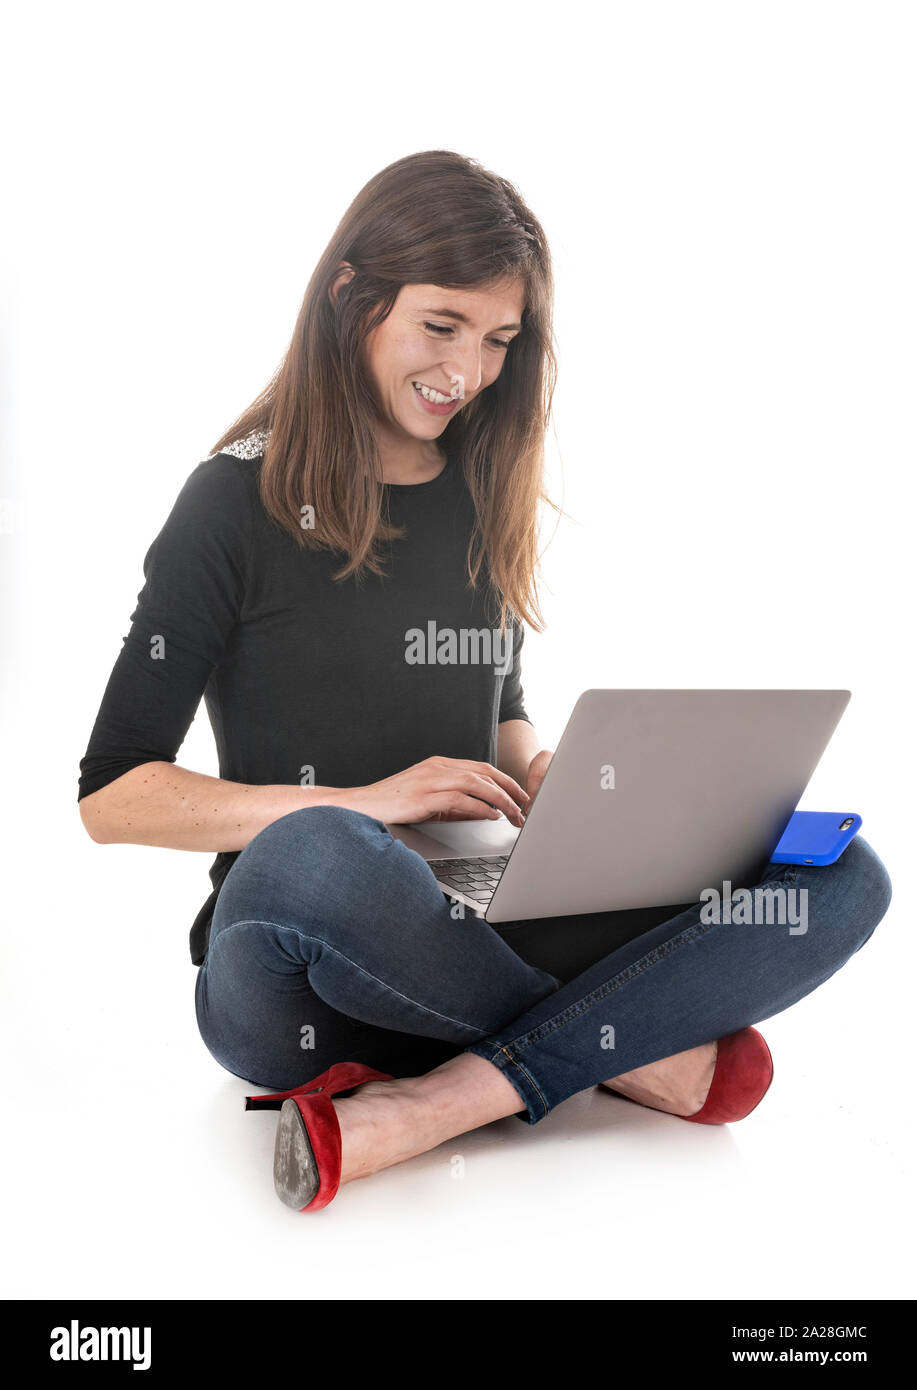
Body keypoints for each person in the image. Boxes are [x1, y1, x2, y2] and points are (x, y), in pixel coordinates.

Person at [78, 150, 893, 1213]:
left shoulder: (476, 488)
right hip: (303, 963)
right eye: (441, 325)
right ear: (349, 298)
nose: (466, 370)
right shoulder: (231, 504)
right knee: (322, 857)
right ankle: (622, 1051)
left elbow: (497, 706)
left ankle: (434, 1102)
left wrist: (563, 778)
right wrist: (361, 805)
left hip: (472, 922)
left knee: (842, 875)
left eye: (499, 340)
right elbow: (111, 795)